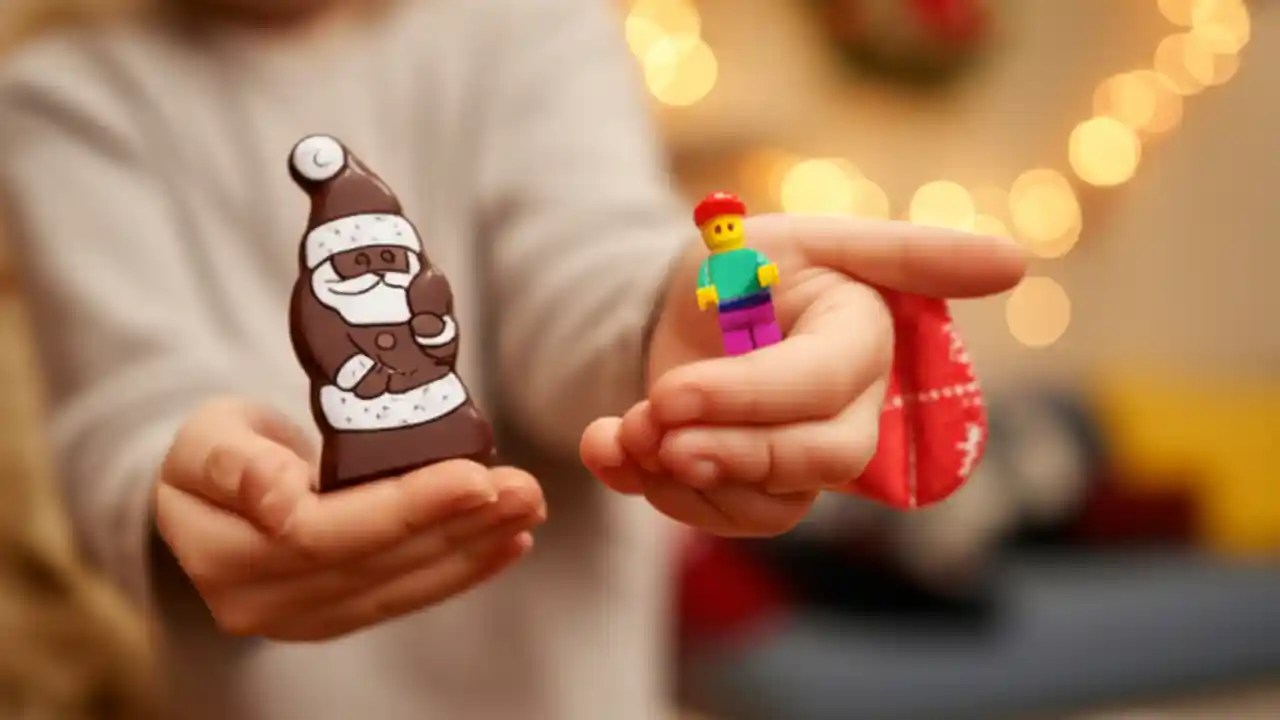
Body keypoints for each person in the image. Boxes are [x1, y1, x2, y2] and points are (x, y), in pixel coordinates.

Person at [0, 0, 1025, 718]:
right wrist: (184, 481)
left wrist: (674, 323)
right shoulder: (58, 95)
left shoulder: (530, 21)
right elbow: (128, 398)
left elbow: (581, 274)